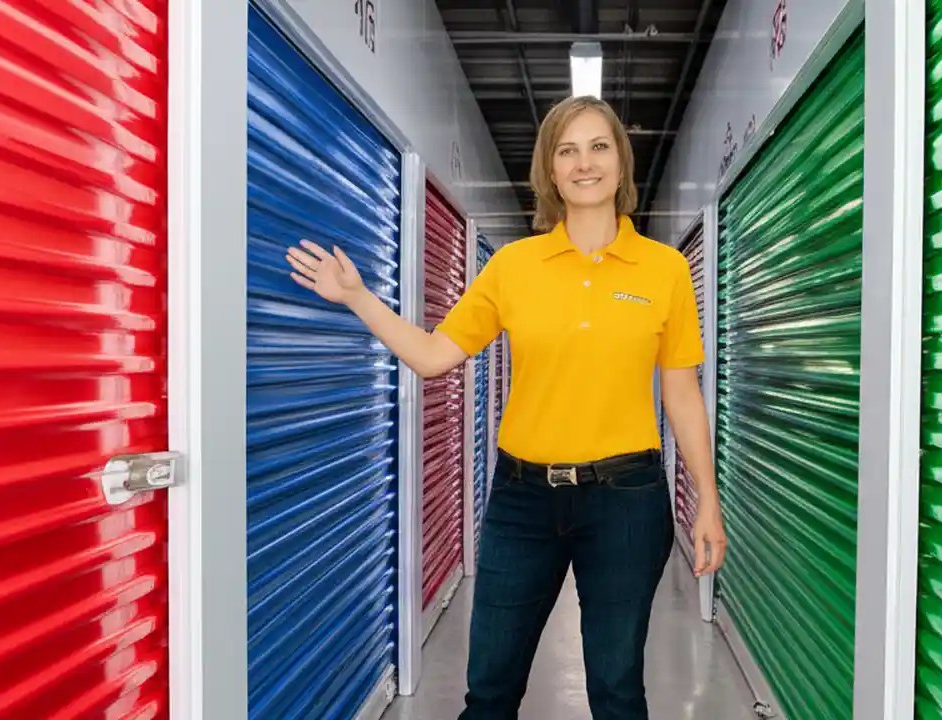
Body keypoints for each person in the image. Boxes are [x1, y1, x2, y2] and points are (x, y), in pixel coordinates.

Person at [285, 95, 727, 719]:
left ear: (621, 163)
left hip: (627, 500)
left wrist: (707, 501)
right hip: (523, 500)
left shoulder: (665, 270)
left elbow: (682, 392)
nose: (584, 163)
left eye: (599, 146)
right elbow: (436, 354)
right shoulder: (514, 266)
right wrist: (359, 297)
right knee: (490, 689)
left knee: (618, 687)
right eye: (566, 150)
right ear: (549, 170)